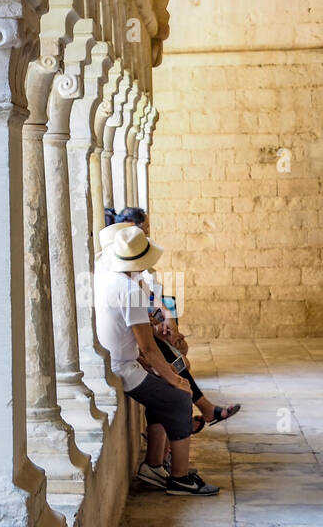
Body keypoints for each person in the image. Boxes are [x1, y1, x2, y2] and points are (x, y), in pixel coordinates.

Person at [94, 223, 220, 496]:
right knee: (179, 399)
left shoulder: (110, 280)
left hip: (121, 362)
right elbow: (149, 348)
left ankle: (154, 465)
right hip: (124, 368)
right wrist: (176, 380)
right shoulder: (129, 290)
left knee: (165, 396)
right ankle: (180, 478)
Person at [110, 207, 241, 427]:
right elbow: (142, 340)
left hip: (145, 337)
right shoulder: (120, 282)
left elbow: (150, 298)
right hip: (134, 353)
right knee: (178, 372)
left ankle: (200, 414)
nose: (148, 233)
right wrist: (158, 332)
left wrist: (167, 317)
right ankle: (189, 423)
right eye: (145, 229)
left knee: (179, 358)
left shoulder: (132, 275)